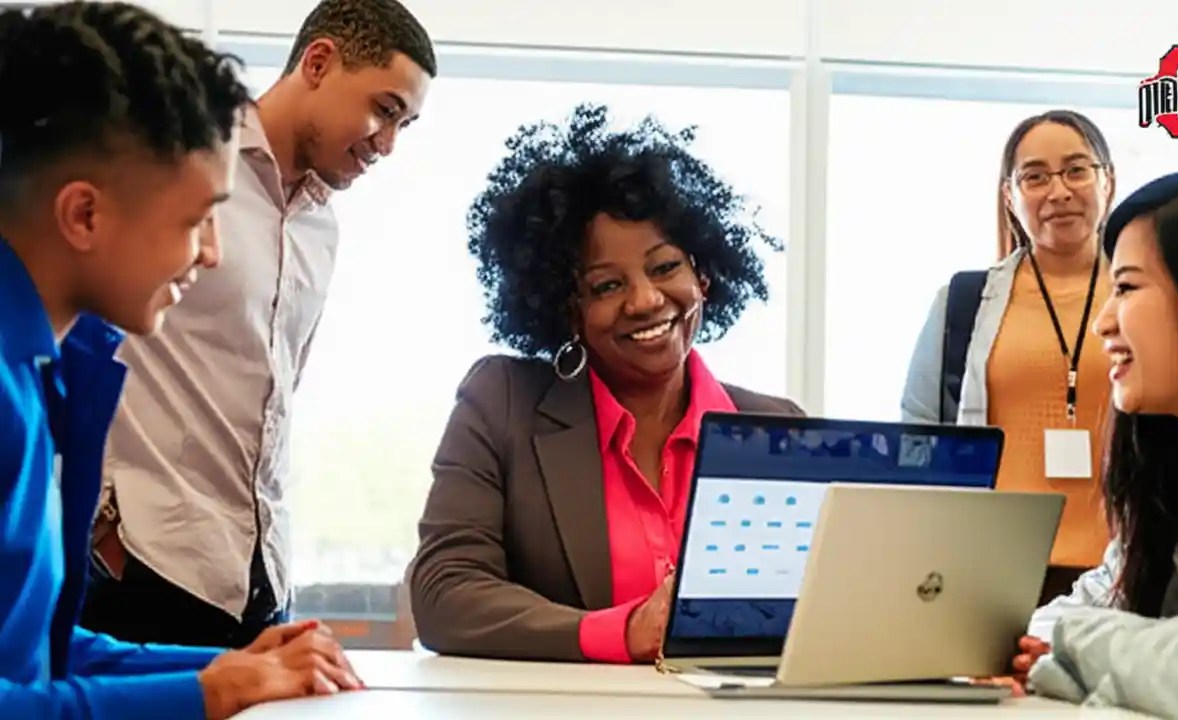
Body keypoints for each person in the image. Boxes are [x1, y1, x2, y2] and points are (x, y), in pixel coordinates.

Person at [0, 3, 360, 718]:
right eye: (196, 221)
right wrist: (210, 691)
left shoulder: (39, 372)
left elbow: (30, 650)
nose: (212, 253)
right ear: (85, 215)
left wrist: (228, 664)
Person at [80, 0, 437, 648]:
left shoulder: (322, 229)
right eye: (384, 110)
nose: (387, 145)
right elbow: (83, 324)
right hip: (141, 563)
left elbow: (274, 403)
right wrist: (101, 526)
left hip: (258, 583)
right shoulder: (183, 158)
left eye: (405, 126)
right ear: (320, 62)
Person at [406, 103, 803, 663]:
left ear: (704, 276)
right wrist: (622, 631)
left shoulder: (779, 429)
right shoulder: (502, 402)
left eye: (665, 267)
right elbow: (444, 595)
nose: (644, 300)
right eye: (607, 285)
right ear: (567, 310)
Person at [1011, 168, 1178, 718]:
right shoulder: (1176, 499)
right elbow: (1043, 628)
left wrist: (1082, 649)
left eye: (1128, 288)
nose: (1102, 324)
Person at [900, 109, 1117, 603]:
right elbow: (918, 432)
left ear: (1109, 181)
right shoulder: (964, 302)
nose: (1058, 191)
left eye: (1076, 170)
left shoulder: (1150, 296)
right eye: (1035, 176)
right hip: (993, 573)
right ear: (1009, 196)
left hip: (1127, 571)